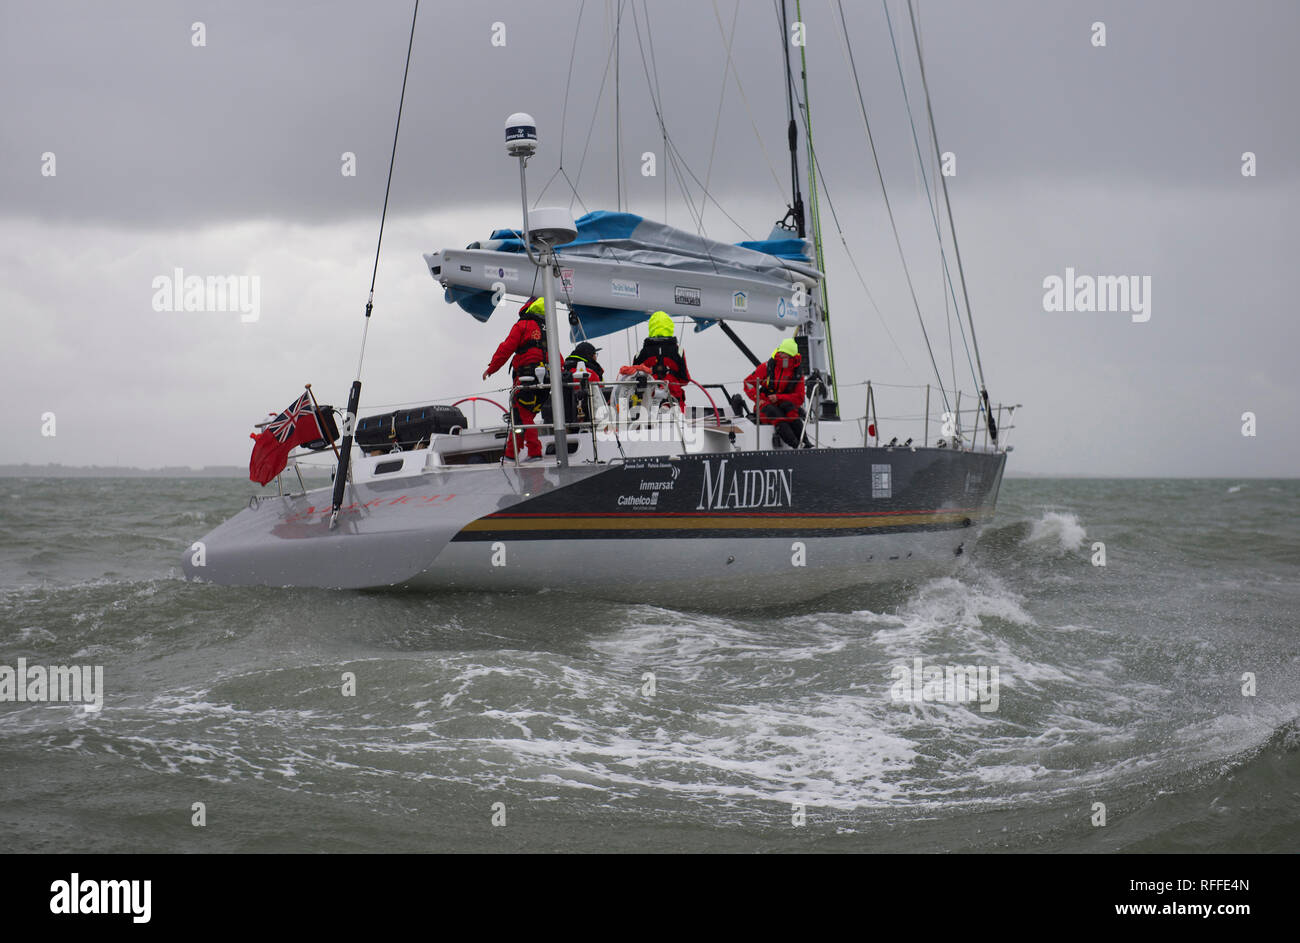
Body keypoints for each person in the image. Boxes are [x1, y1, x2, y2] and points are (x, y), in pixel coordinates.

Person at [482, 296, 548, 461]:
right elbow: (556, 355)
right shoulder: (547, 329)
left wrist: (492, 368)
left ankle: (534, 452)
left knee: (523, 414)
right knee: (520, 416)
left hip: (526, 378)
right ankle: (511, 455)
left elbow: (506, 348)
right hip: (546, 380)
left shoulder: (522, 325)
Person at [743, 337, 808, 448]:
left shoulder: (797, 374)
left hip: (785, 405)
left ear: (792, 356)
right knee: (774, 413)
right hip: (765, 405)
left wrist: (779, 397)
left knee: (791, 412)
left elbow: (800, 398)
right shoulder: (767, 367)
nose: (781, 355)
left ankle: (806, 443)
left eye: (785, 353)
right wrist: (758, 399)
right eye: (781, 352)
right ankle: (796, 445)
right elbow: (748, 383)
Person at [621, 310, 691, 407]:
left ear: (651, 327)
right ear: (669, 327)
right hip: (673, 402)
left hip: (647, 403)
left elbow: (633, 379)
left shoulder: (640, 354)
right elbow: (685, 380)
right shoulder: (679, 351)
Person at [562, 341, 604, 423]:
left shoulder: (565, 372)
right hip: (590, 417)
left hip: (567, 418)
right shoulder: (590, 373)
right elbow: (601, 395)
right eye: (594, 354)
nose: (596, 357)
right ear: (589, 355)